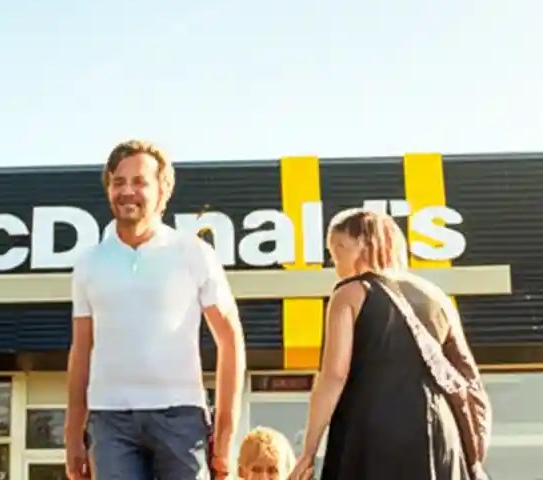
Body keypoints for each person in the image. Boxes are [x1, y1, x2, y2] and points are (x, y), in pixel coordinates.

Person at [65, 139, 246, 480]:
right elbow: (81, 350)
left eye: (139, 182)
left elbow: (230, 341)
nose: (127, 191)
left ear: (163, 191)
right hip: (110, 420)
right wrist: (73, 434)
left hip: (181, 418)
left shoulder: (194, 253)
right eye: (118, 182)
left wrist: (224, 434)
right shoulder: (89, 263)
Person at [288, 208, 486, 480]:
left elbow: (334, 376)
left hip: (373, 429)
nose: (335, 261)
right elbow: (465, 371)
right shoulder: (436, 296)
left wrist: (309, 450)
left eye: (339, 247)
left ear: (364, 244)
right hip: (439, 429)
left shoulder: (350, 293)